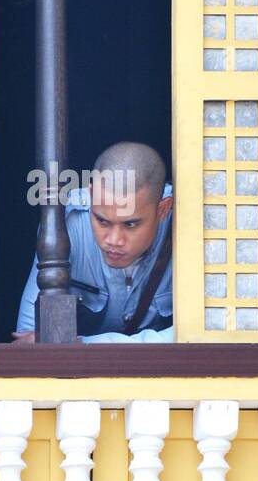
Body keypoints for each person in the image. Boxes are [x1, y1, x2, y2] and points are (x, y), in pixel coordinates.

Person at [12, 140, 174, 344]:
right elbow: (28, 339)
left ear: (162, 209)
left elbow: (204, 334)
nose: (114, 240)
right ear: (91, 195)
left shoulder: (183, 230)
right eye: (102, 221)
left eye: (130, 224)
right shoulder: (65, 224)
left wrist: (83, 344)